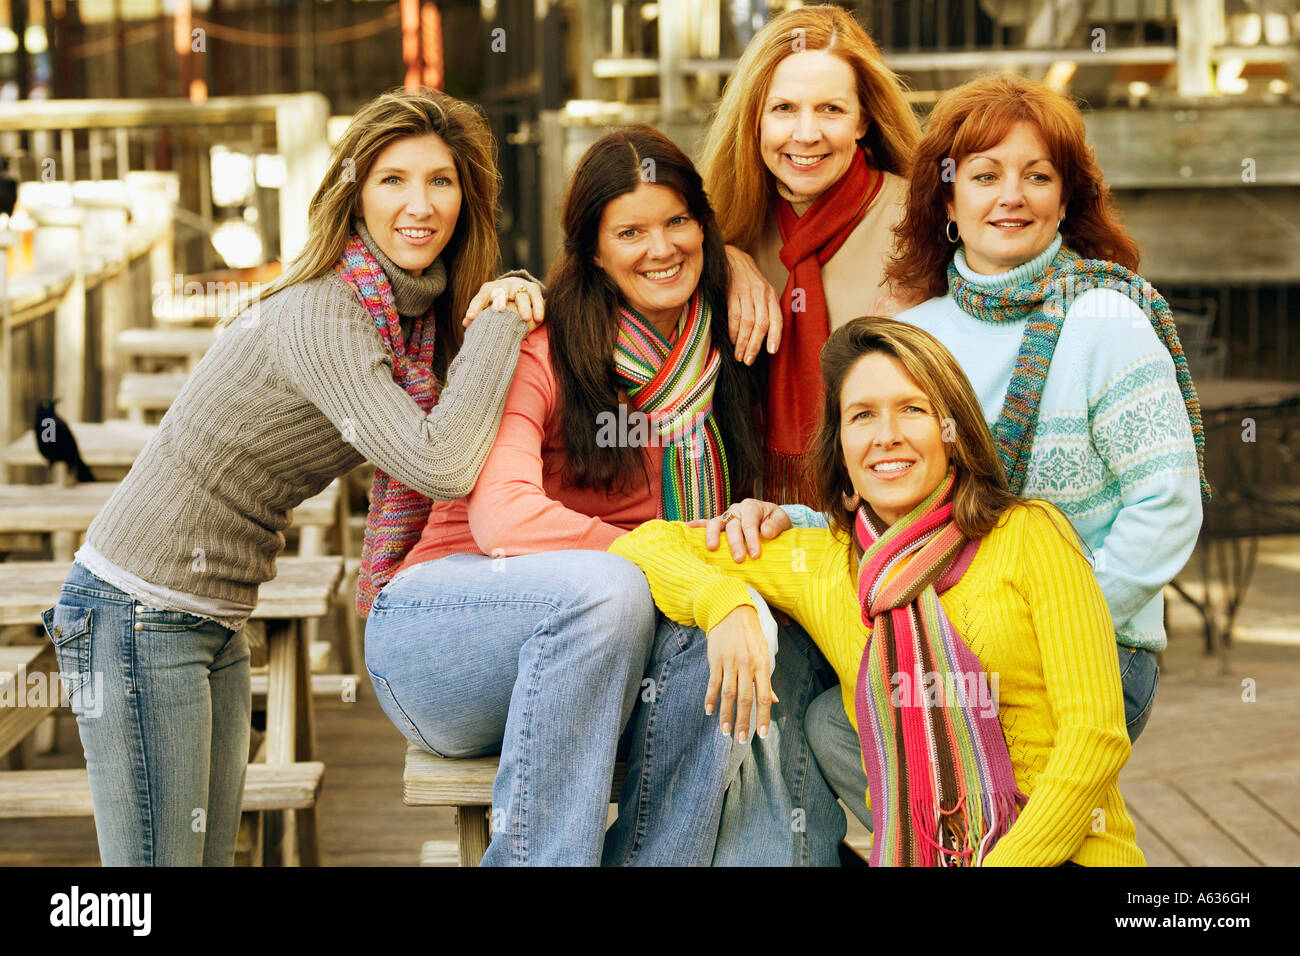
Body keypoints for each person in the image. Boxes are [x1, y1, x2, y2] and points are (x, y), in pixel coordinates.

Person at [40, 87, 538, 866]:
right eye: (391, 180)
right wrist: (506, 317)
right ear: (354, 195)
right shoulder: (330, 313)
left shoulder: (406, 322)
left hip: (215, 612)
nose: (420, 203)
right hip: (136, 613)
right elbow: (440, 462)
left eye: (441, 181)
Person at [365, 125, 844, 866]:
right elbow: (502, 516)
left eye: (678, 222)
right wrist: (685, 567)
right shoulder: (540, 341)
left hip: (601, 659)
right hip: (447, 635)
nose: (661, 248)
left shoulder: (730, 349)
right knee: (619, 587)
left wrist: (741, 542)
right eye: (630, 231)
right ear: (592, 249)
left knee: (722, 639)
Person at [612, 317, 1147, 866]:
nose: (885, 434)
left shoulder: (1031, 535)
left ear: (952, 432)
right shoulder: (821, 565)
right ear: (841, 450)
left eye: (911, 409)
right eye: (862, 415)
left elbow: (1095, 736)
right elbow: (642, 547)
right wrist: (725, 605)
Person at [698, 2, 920, 501]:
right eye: (783, 109)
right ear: (754, 119)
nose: (805, 134)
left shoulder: (920, 218)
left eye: (831, 109)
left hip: (888, 514)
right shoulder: (724, 231)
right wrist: (725, 255)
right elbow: (614, 287)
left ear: (864, 119)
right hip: (753, 517)